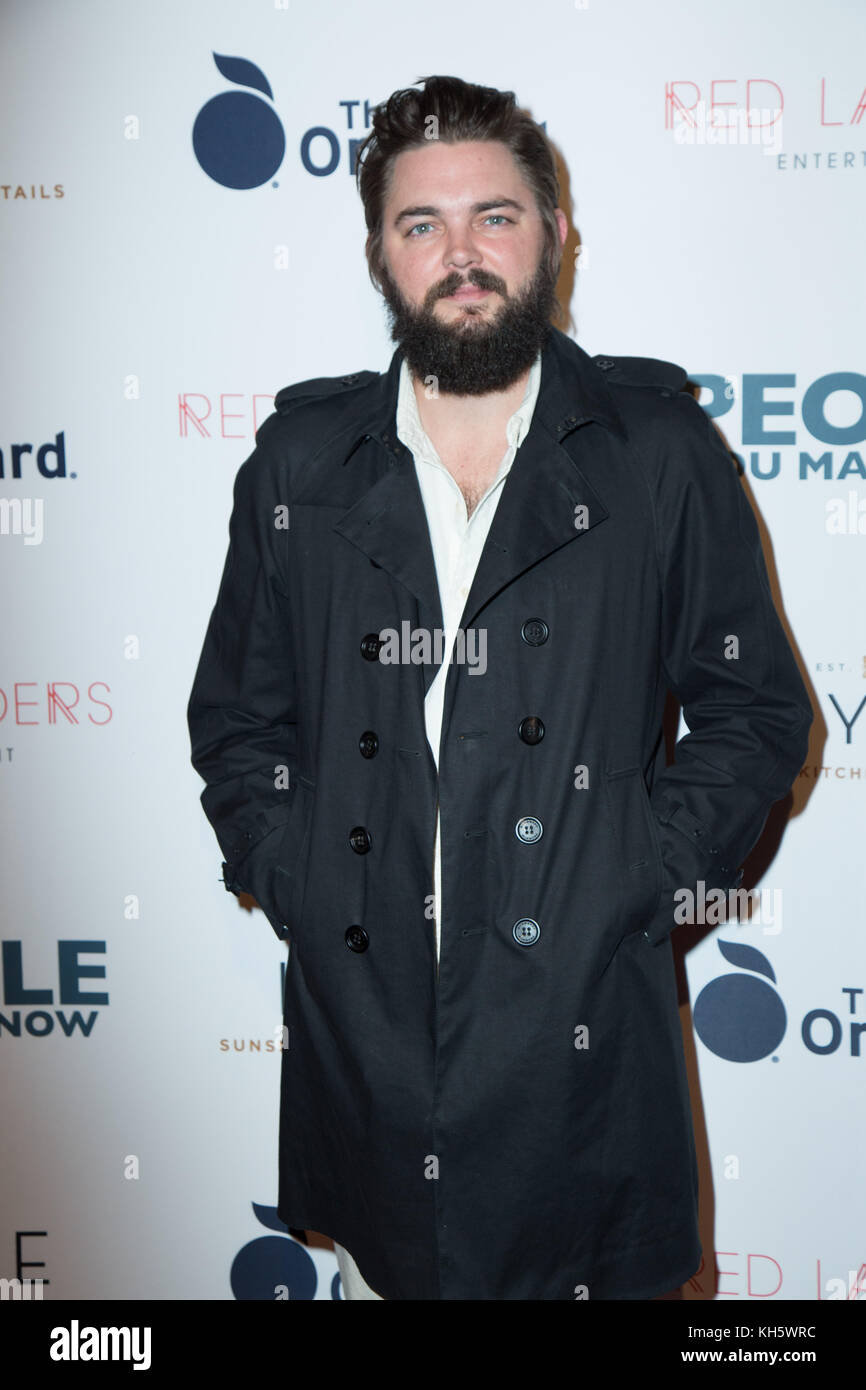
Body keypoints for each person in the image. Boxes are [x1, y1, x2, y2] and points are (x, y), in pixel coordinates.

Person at [187, 75, 812, 1301]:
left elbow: (752, 714)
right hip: (367, 1036)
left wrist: (629, 879)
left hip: (577, 1044)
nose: (459, 254)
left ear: (556, 233)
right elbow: (236, 720)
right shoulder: (300, 463)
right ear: (378, 252)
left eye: (495, 217)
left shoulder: (655, 451)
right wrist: (300, 872)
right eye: (421, 224)